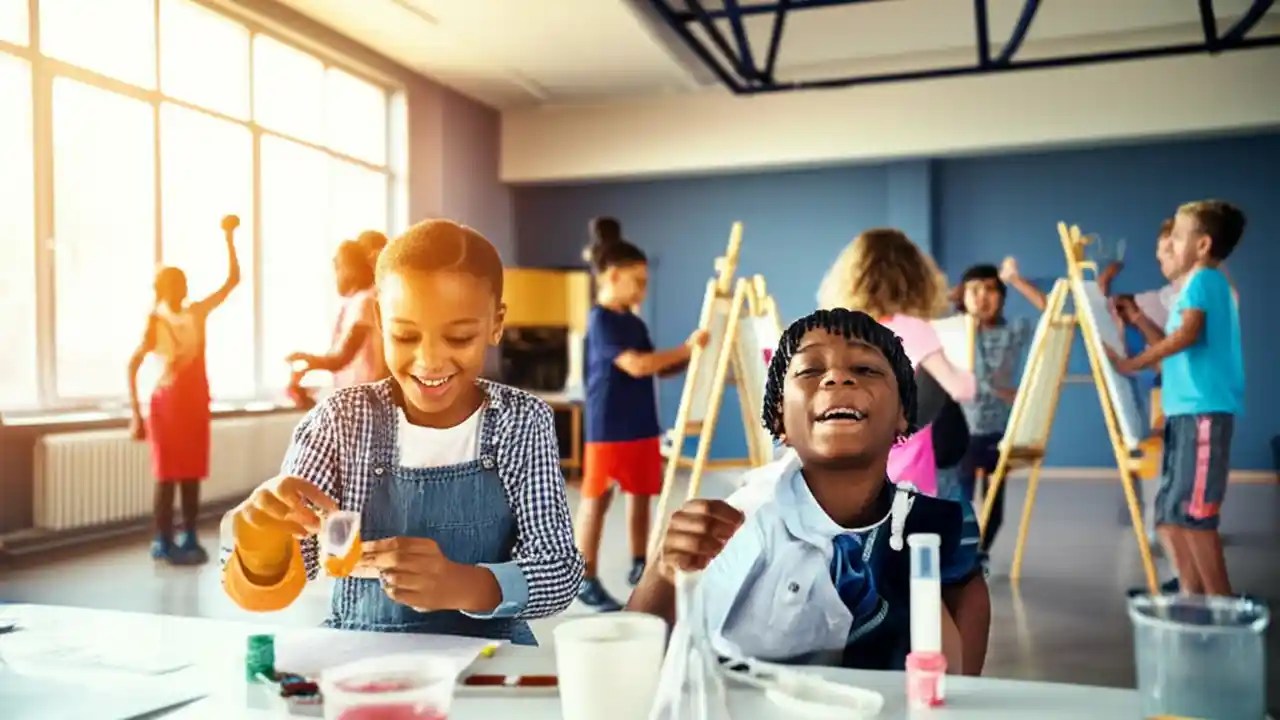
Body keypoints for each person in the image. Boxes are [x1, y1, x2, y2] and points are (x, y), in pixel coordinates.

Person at [221, 220, 584, 643]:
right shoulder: (340, 422)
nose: (429, 361)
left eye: (460, 336)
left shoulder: (522, 422)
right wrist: (262, 545)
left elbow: (559, 568)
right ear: (379, 319)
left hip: (492, 657)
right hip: (362, 654)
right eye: (405, 335)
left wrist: (466, 584)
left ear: (495, 323)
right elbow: (274, 588)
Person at [628, 309, 990, 675]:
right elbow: (632, 665)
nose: (837, 377)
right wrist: (663, 569)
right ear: (779, 418)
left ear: (902, 413)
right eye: (809, 370)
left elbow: (960, 692)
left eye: (866, 369)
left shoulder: (941, 533)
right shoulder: (738, 522)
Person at [1108, 200, 1245, 598]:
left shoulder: (1206, 280)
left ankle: (1220, 603)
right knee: (1169, 515)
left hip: (1203, 412)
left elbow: (1186, 336)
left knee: (1195, 515)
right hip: (1184, 411)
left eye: (1178, 237)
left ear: (1201, 245)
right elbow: (1177, 347)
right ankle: (1190, 592)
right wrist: (1137, 320)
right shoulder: (1195, 287)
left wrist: (1133, 362)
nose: (1170, 245)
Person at [576, 216, 709, 611]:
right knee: (597, 500)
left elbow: (656, 365)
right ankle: (584, 576)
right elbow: (635, 365)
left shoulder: (633, 322)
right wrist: (686, 349)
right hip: (609, 427)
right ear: (613, 276)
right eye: (638, 281)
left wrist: (691, 357)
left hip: (640, 423)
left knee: (641, 497)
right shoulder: (602, 321)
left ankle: (638, 562)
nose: (643, 289)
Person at [817, 229, 976, 496]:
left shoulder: (841, 330)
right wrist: (970, 375)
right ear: (915, 278)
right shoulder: (913, 329)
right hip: (905, 470)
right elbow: (960, 389)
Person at [127, 225, 241, 564]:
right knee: (166, 477)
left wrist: (229, 239)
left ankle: (189, 533)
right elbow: (133, 365)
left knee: (191, 474)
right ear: (164, 289)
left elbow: (231, 282)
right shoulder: (155, 321)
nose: (185, 290)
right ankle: (163, 538)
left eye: (186, 284)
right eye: (179, 285)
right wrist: (135, 413)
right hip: (166, 407)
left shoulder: (196, 313)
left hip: (194, 404)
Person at [951, 258, 1046, 561]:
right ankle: (961, 553)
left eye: (991, 289)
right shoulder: (955, 332)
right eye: (974, 290)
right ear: (963, 297)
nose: (982, 296)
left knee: (993, 500)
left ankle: (981, 552)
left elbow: (1050, 311)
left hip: (1000, 427)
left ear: (1002, 297)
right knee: (959, 496)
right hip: (961, 428)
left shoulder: (1014, 331)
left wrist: (1016, 280)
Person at [288, 240, 388, 389]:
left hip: (366, 393)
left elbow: (342, 358)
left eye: (338, 269)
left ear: (351, 270)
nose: (335, 278)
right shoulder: (352, 303)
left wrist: (307, 360)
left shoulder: (365, 302)